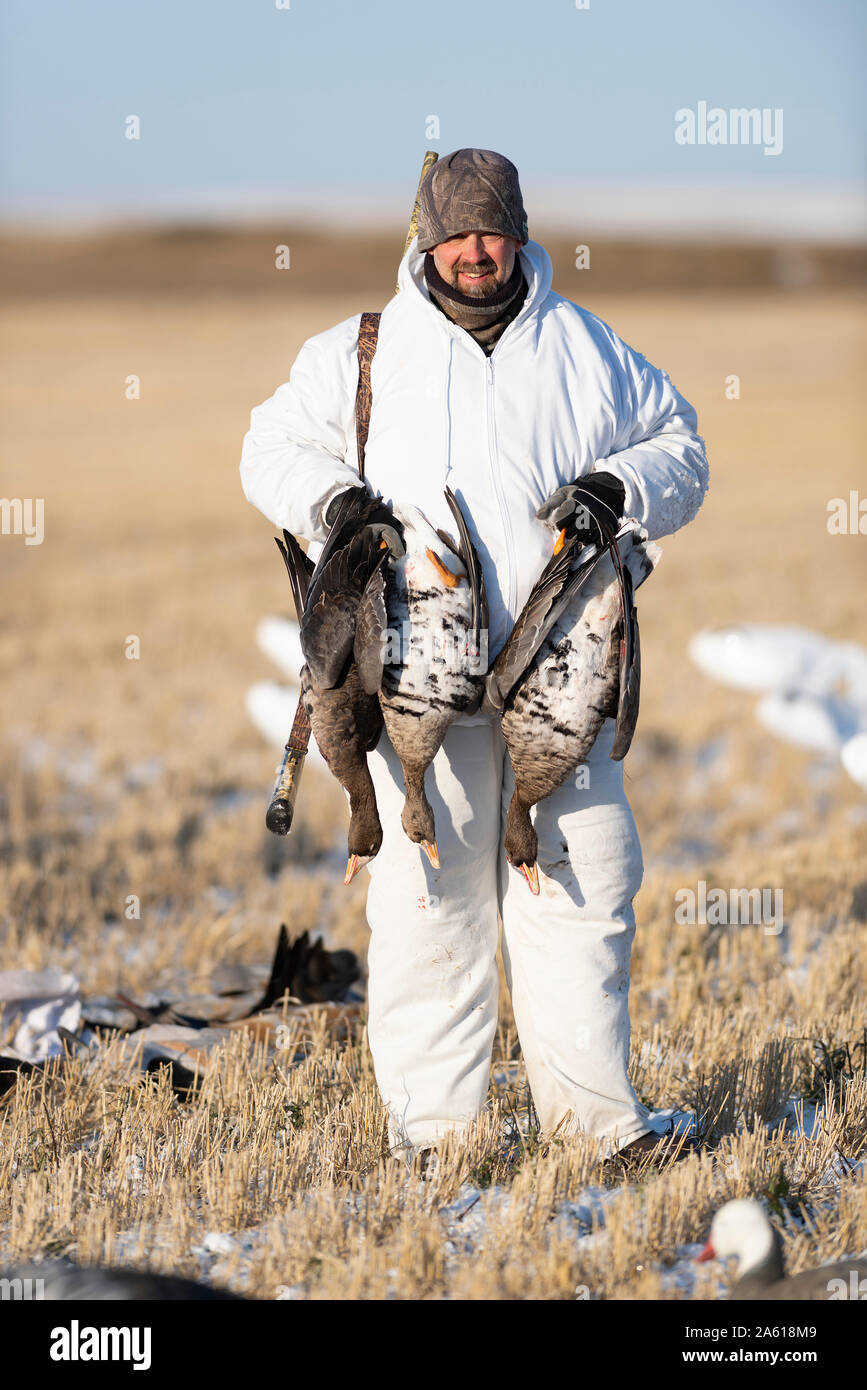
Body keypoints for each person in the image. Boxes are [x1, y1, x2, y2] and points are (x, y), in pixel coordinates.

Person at [240, 149, 709, 1163]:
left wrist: (618, 490)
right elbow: (267, 446)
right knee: (429, 904)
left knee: (582, 894)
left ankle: (597, 1132)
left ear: (522, 229)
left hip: (561, 672)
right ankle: (435, 1135)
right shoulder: (363, 352)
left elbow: (682, 441)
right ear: (424, 236)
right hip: (419, 675)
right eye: (454, 235)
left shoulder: (584, 348)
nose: (474, 253)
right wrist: (335, 502)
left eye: (491, 231)